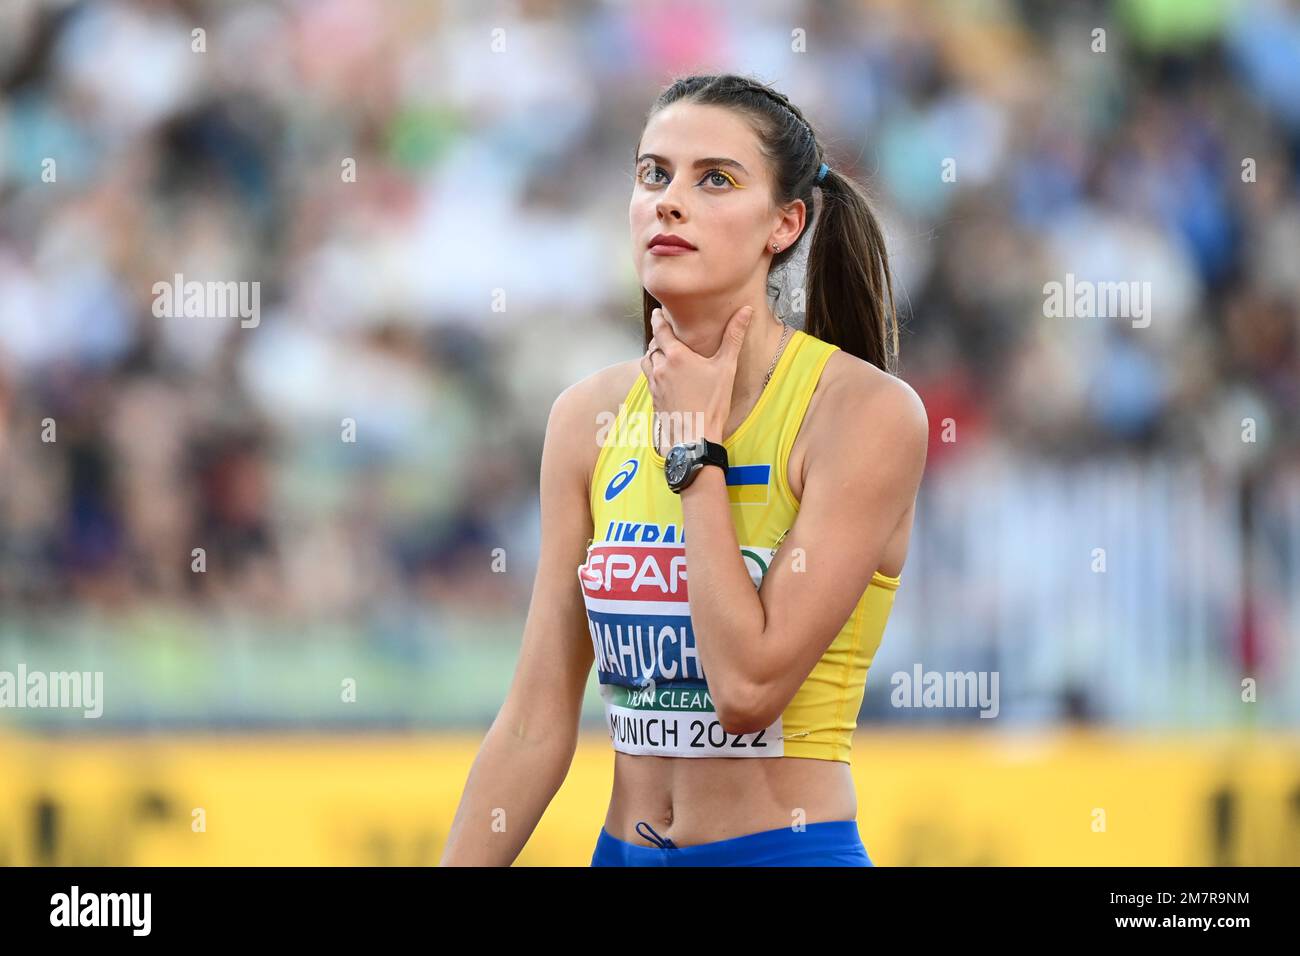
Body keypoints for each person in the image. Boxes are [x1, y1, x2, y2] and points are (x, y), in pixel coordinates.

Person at [440, 73, 928, 867]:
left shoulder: (863, 413)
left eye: (716, 180)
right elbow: (534, 720)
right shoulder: (585, 419)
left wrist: (696, 454)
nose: (669, 200)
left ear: (785, 223)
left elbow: (746, 693)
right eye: (652, 174)